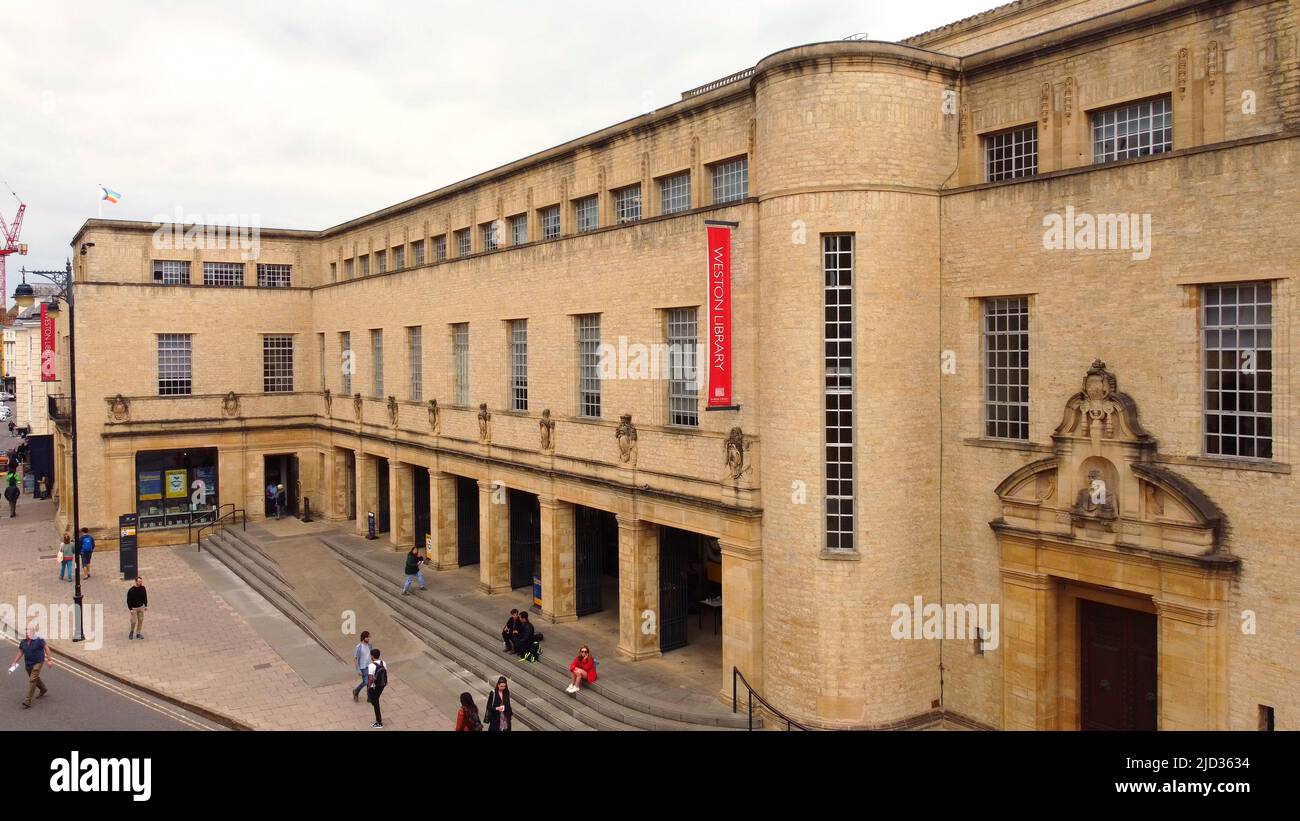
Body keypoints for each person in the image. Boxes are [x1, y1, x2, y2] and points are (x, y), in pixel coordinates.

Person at [8, 630, 52, 709]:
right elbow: (21, 652)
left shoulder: (39, 640)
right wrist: (14, 662)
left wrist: (49, 660)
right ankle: (43, 689)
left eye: (28, 633)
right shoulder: (23, 642)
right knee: (34, 678)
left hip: (38, 662)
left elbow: (46, 648)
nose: (26, 634)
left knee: (32, 679)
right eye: (25, 633)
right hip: (28, 664)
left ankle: (28, 700)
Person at [366, 647, 388, 728]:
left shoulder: (371, 665)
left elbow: (370, 678)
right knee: (375, 700)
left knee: (375, 703)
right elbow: (385, 673)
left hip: (374, 687)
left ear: (372, 656)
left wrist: (368, 687)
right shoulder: (383, 663)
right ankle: (374, 701)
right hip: (382, 685)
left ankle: (379, 722)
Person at [352, 631, 372, 702]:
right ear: (364, 638)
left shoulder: (369, 645)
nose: (369, 638)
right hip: (363, 667)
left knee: (370, 682)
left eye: (369, 637)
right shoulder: (358, 647)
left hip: (370, 666)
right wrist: (358, 670)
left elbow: (370, 655)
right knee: (366, 682)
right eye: (368, 637)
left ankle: (369, 697)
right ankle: (356, 691)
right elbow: (356, 658)